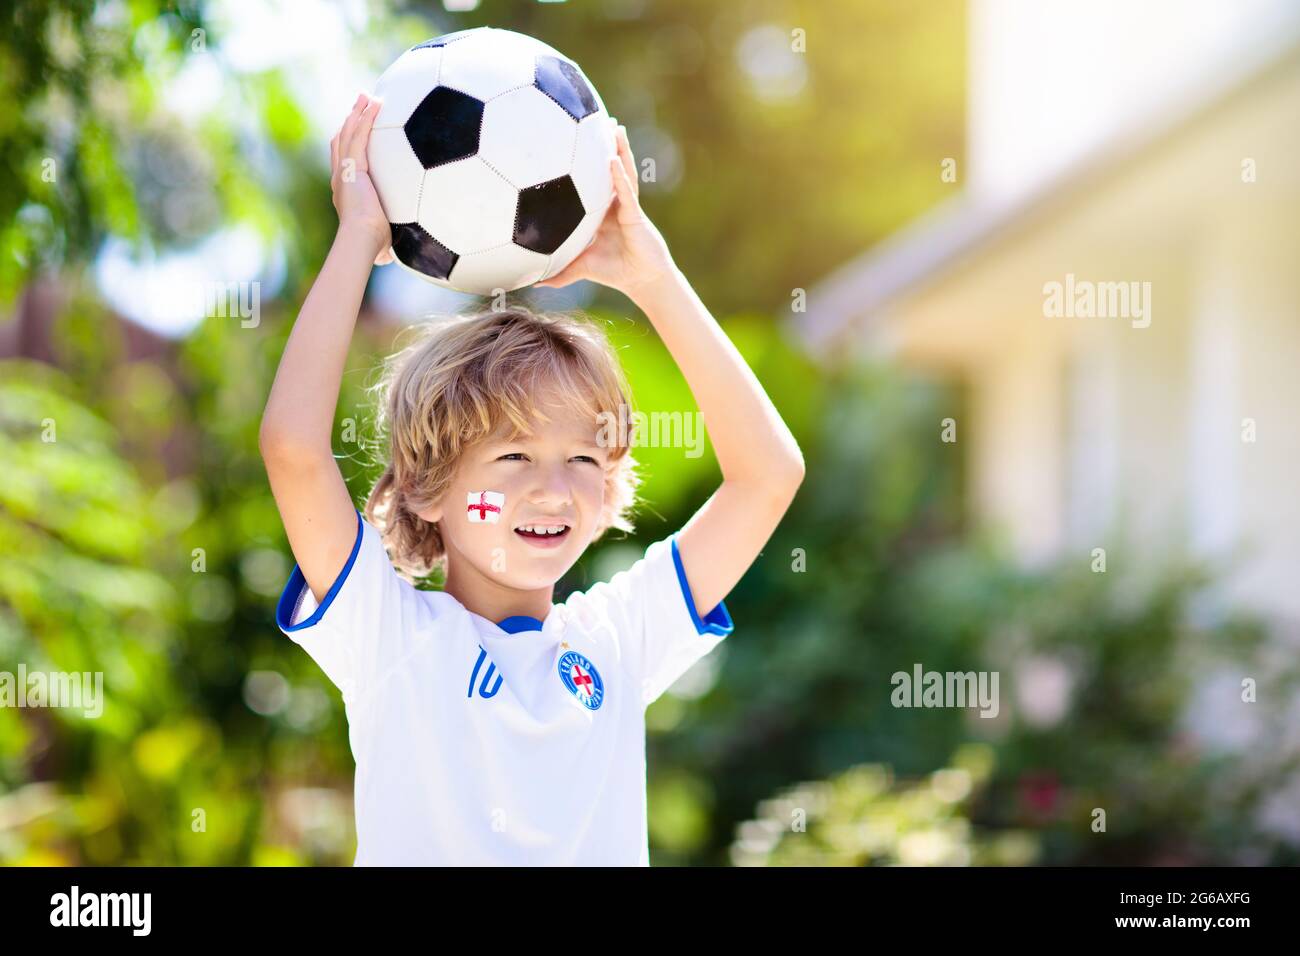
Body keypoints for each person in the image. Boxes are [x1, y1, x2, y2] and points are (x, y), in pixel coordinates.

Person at [259, 92, 805, 864]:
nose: (552, 489)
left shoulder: (616, 641)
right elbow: (293, 448)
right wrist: (357, 238)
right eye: (513, 458)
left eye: (583, 460)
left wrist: (654, 279)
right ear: (426, 486)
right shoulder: (390, 638)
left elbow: (769, 474)